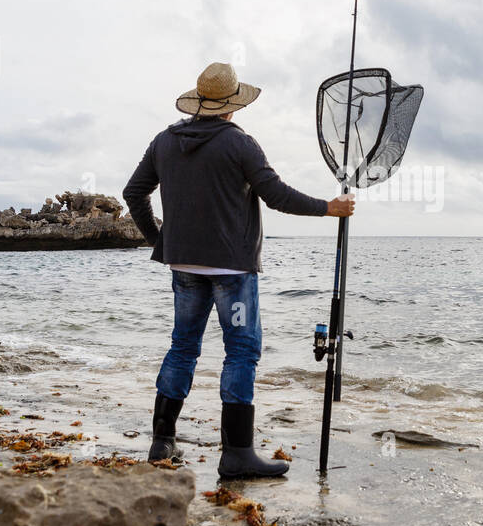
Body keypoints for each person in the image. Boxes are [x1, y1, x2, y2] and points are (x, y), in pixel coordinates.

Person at [123, 62, 355, 478]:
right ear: (232, 105)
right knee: (242, 351)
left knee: (183, 347)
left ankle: (162, 444)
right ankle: (236, 454)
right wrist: (328, 208)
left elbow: (133, 192)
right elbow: (276, 195)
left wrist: (159, 240)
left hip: (185, 267)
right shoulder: (239, 144)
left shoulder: (164, 141)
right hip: (231, 269)